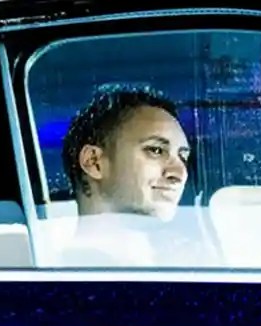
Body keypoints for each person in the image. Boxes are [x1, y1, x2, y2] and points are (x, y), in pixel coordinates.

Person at [54, 83, 218, 266]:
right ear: (94, 162)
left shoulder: (190, 266)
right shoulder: (63, 280)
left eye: (183, 157)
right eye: (156, 150)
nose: (179, 173)